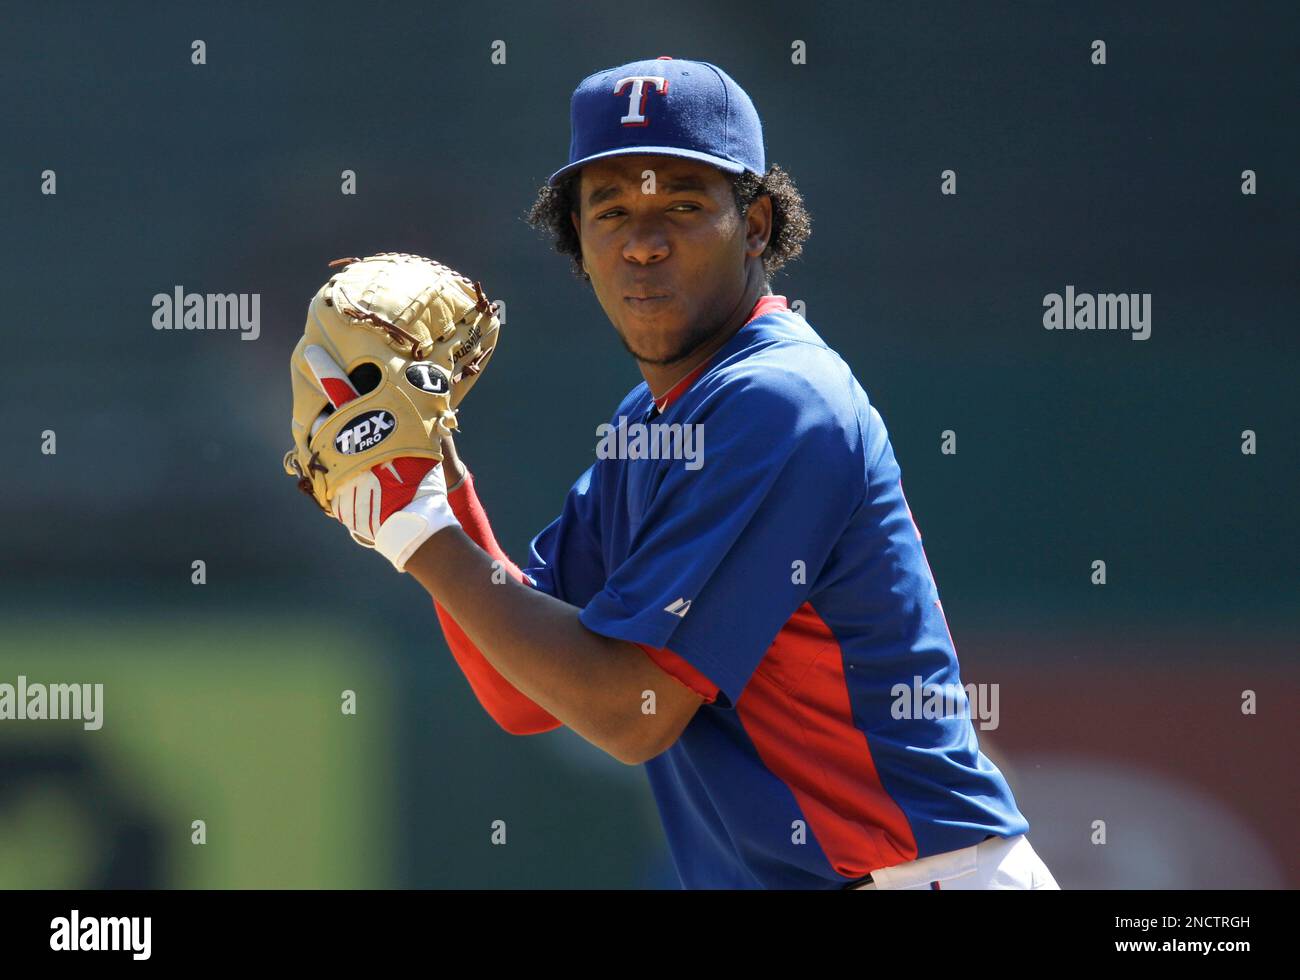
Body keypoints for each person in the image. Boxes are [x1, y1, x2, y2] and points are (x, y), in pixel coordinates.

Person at [335, 55, 1060, 890]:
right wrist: (430, 474)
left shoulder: (780, 401)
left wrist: (416, 530)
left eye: (681, 204)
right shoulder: (652, 424)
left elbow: (627, 711)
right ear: (577, 236)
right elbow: (523, 692)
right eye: (611, 209)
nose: (642, 242)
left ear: (754, 226)